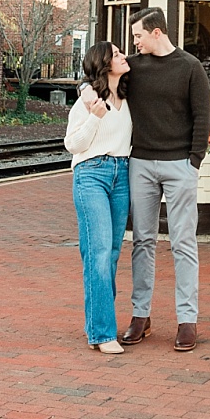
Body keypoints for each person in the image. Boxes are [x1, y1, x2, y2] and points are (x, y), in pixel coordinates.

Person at [119, 7, 210, 353]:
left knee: (183, 243)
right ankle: (140, 317)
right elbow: (101, 79)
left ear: (156, 32)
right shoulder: (132, 67)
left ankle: (187, 320)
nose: (135, 42)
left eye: (138, 36)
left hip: (179, 167)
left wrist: (194, 162)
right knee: (142, 241)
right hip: (141, 163)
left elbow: (203, 116)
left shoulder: (190, 68)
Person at [66, 42, 133, 353]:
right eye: (117, 54)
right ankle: (103, 333)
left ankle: (98, 323)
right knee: (98, 252)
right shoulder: (88, 102)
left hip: (122, 174)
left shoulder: (128, 98)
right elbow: (72, 145)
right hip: (92, 174)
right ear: (105, 64)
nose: (123, 56)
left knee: (113, 253)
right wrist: (94, 116)